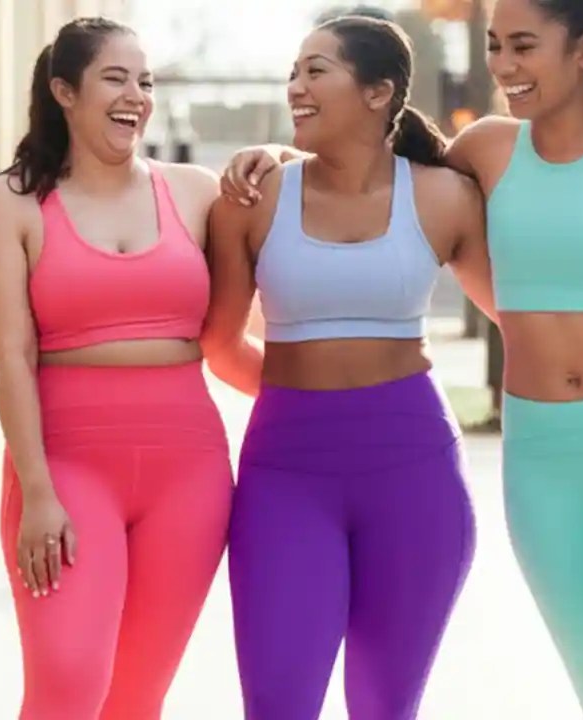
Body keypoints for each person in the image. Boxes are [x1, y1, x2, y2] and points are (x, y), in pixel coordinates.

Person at [223, 1, 583, 717]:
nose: (504, 66)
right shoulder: (484, 152)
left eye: (523, 46)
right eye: (494, 46)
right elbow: (372, 169)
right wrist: (283, 158)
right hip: (542, 458)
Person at [200, 16, 497, 720]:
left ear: (377, 92)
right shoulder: (252, 201)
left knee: (386, 706)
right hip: (286, 476)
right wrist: (303, 404)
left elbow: (524, 320)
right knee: (277, 703)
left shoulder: (444, 196)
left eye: (316, 70)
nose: (296, 86)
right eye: (294, 72)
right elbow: (218, 343)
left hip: (415, 474)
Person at [0, 18, 233, 720]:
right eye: (115, 77)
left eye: (145, 81)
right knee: (68, 681)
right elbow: (11, 362)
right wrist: (37, 492)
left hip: (191, 471)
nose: (136, 95)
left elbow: (252, 314)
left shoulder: (197, 194)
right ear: (63, 91)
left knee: (138, 695)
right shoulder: (10, 203)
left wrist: (267, 157)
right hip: (67, 466)